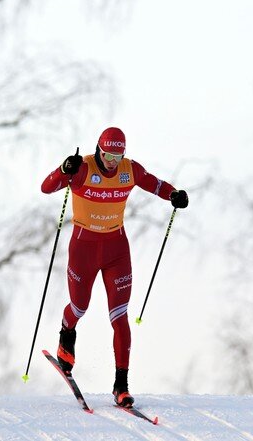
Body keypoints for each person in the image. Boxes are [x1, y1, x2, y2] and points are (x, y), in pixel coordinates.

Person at [40, 127, 189, 407]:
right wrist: (63, 170)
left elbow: (154, 184)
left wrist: (174, 195)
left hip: (116, 250)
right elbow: (47, 187)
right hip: (83, 248)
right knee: (79, 307)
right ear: (99, 149)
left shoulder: (128, 170)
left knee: (120, 317)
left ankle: (121, 386)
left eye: (117, 155)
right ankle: (67, 333)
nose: (111, 161)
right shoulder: (82, 167)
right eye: (107, 154)